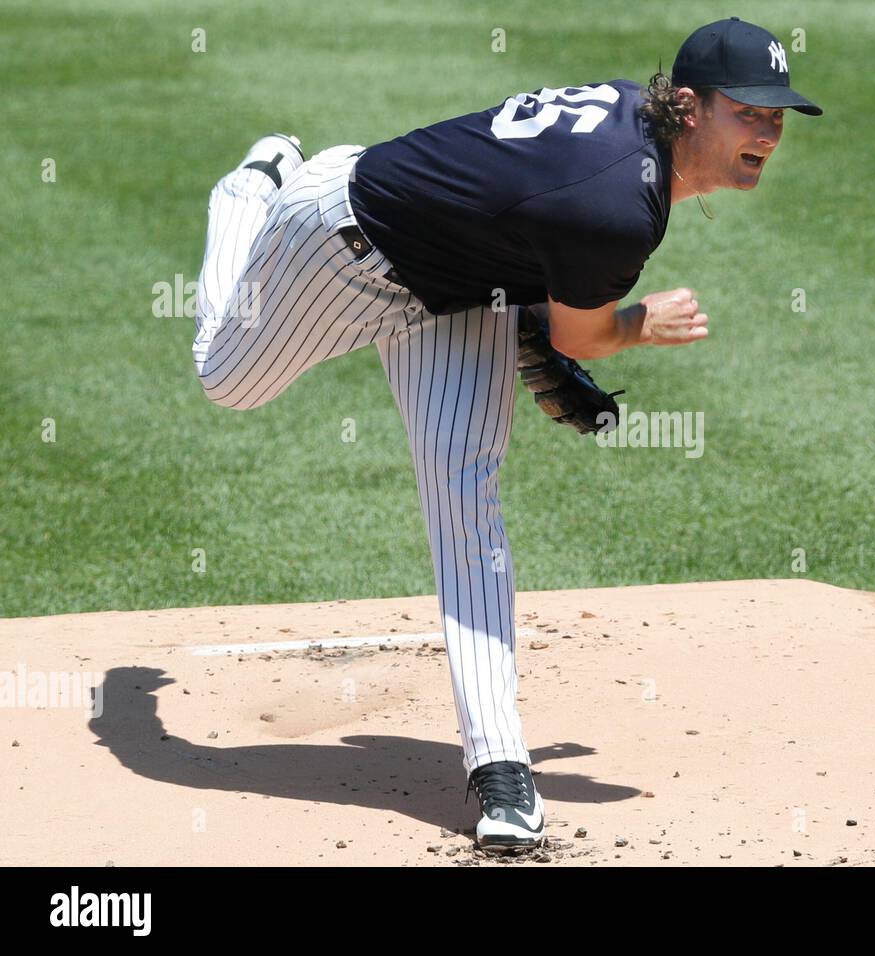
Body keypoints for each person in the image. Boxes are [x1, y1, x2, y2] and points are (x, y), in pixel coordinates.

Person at [190, 16, 820, 851]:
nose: (769, 133)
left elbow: (520, 206)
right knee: (225, 379)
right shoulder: (619, 206)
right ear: (689, 108)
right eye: (751, 113)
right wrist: (638, 325)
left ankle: (500, 767)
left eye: (778, 117)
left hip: (459, 287)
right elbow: (580, 336)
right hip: (340, 240)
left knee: (465, 495)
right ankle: (250, 188)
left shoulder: (638, 139)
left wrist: (525, 303)